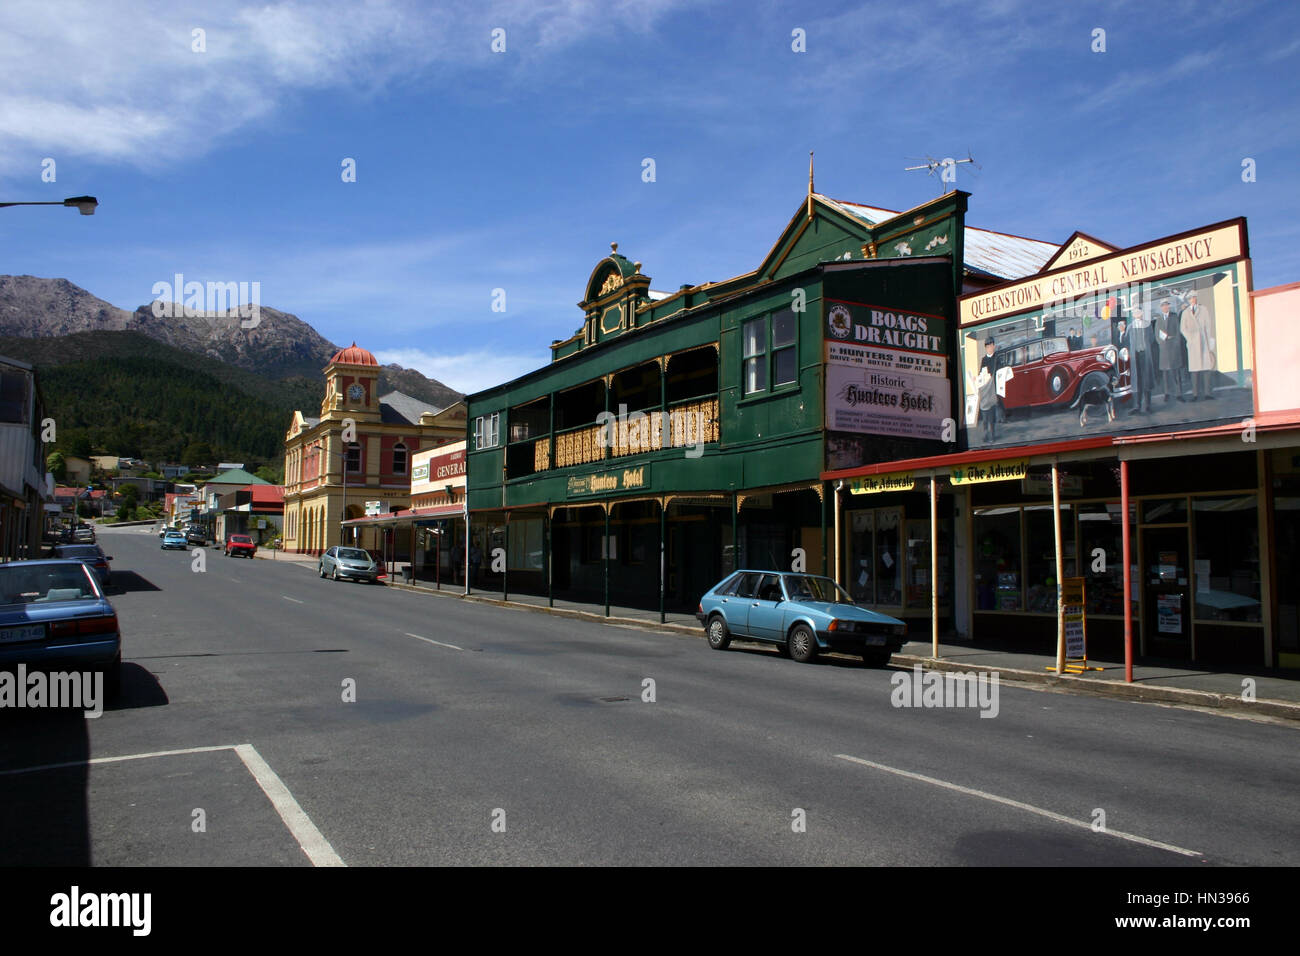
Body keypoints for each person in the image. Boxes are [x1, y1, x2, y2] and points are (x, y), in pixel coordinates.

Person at [1181, 291, 1217, 401]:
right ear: (1188, 300)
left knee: (1206, 369)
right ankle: (1195, 395)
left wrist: (1209, 339)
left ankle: (1208, 393)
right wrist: (1190, 339)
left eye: (1194, 297)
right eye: (1191, 298)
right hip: (1193, 344)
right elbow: (1183, 329)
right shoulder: (1185, 313)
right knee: (1195, 370)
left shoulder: (1203, 309)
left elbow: (1208, 325)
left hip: (1203, 341)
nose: (1193, 299)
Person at [1155, 298, 1188, 402]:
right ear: (1161, 307)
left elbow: (1178, 332)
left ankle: (1179, 394)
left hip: (1174, 349)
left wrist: (1176, 345)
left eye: (1167, 305)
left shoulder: (1174, 317)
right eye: (1163, 305)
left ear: (1169, 306)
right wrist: (1162, 343)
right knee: (1166, 374)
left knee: (1176, 373)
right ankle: (1167, 393)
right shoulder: (1159, 319)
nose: (1165, 307)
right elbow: (1157, 335)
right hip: (1164, 350)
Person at [1128, 305, 1155, 414]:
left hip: (1145, 355)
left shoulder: (1147, 325)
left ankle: (1148, 405)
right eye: (1135, 313)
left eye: (1139, 312)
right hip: (1136, 357)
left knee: (1147, 380)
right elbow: (1127, 341)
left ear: (1142, 313)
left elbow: (1152, 339)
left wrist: (1145, 348)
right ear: (1133, 315)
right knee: (1137, 380)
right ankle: (1137, 406)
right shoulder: (1130, 327)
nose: (1137, 314)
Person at [977, 337, 998, 442]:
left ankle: (992, 436)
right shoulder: (984, 359)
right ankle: (985, 435)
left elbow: (1000, 372)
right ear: (985, 348)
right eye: (987, 346)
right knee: (985, 414)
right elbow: (981, 373)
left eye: (991, 345)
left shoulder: (997, 358)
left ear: (994, 345)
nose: (989, 348)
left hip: (993, 389)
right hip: (985, 389)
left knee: (992, 415)